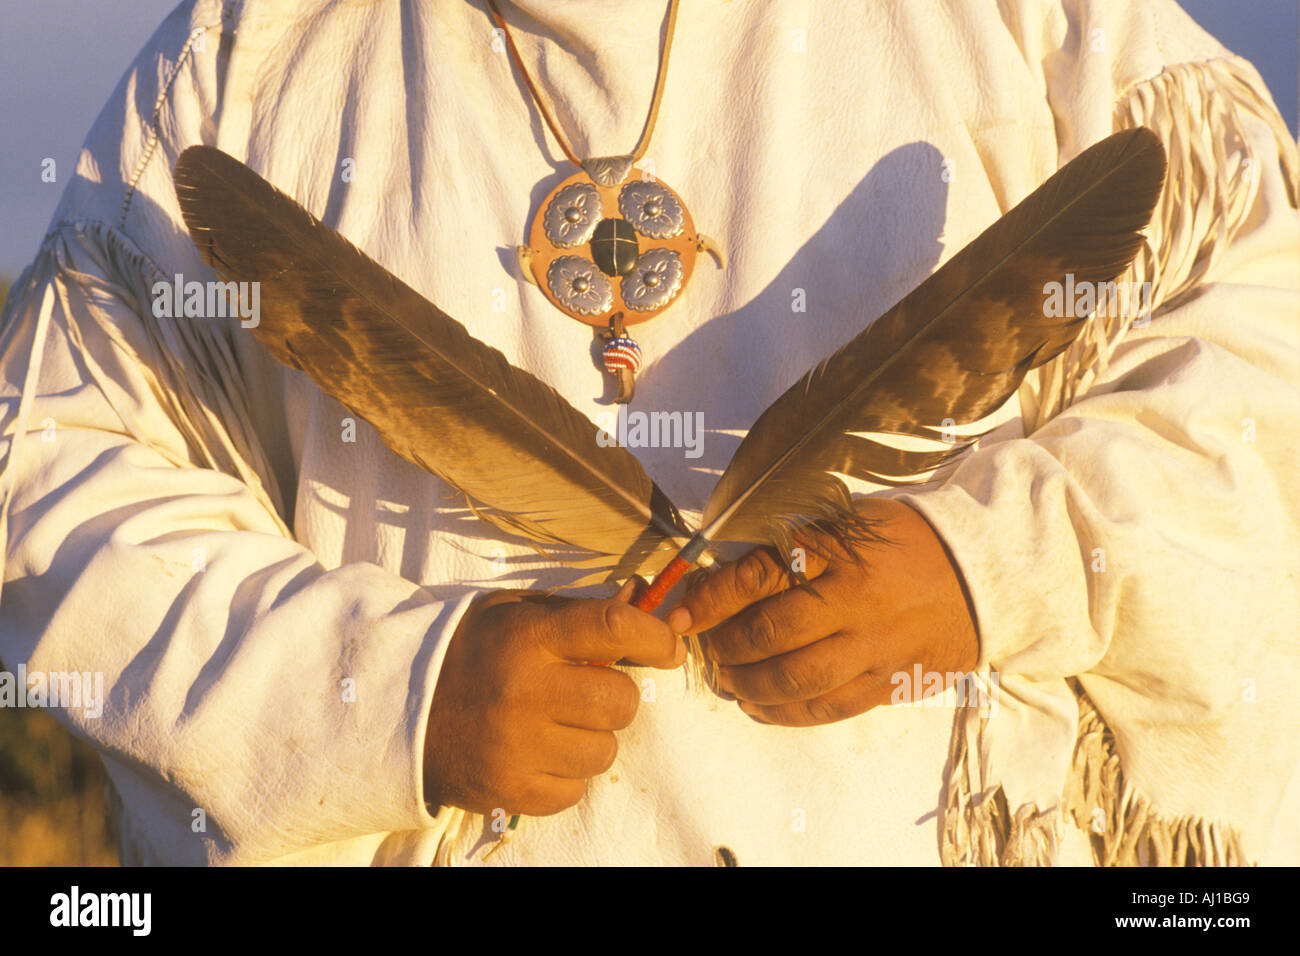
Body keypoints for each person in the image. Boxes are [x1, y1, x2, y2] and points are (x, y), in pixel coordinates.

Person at [0, 0, 1296, 866]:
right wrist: (386, 694)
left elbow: (1266, 340)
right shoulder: (245, 63)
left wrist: (986, 567)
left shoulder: (1036, 31)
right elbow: (52, 469)